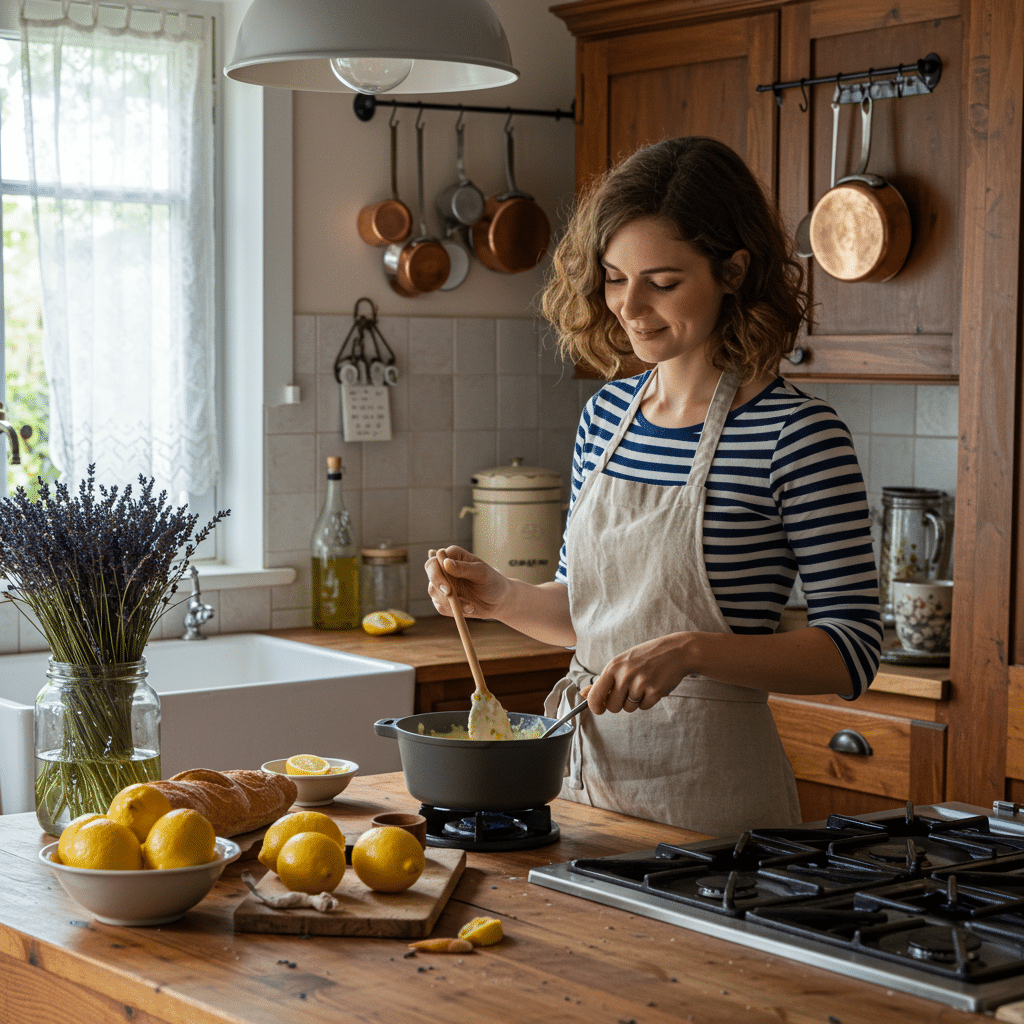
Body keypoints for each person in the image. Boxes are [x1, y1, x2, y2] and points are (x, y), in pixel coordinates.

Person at [425, 136, 882, 836]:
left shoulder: (798, 435)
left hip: (714, 812)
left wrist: (693, 650)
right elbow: (594, 613)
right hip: (582, 789)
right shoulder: (606, 416)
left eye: (662, 282)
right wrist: (501, 598)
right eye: (614, 277)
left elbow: (852, 651)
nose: (629, 307)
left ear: (733, 271)